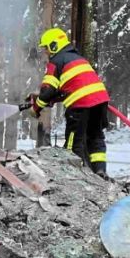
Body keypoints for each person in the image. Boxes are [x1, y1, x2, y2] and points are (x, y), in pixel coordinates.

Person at [29, 28, 110, 178]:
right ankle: (100, 171)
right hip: (100, 100)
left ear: (54, 45)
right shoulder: (79, 59)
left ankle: (76, 177)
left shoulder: (56, 61)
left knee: (74, 141)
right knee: (95, 137)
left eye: (46, 48)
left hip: (81, 104)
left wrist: (36, 107)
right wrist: (48, 99)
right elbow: (67, 88)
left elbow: (48, 90)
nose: (46, 53)